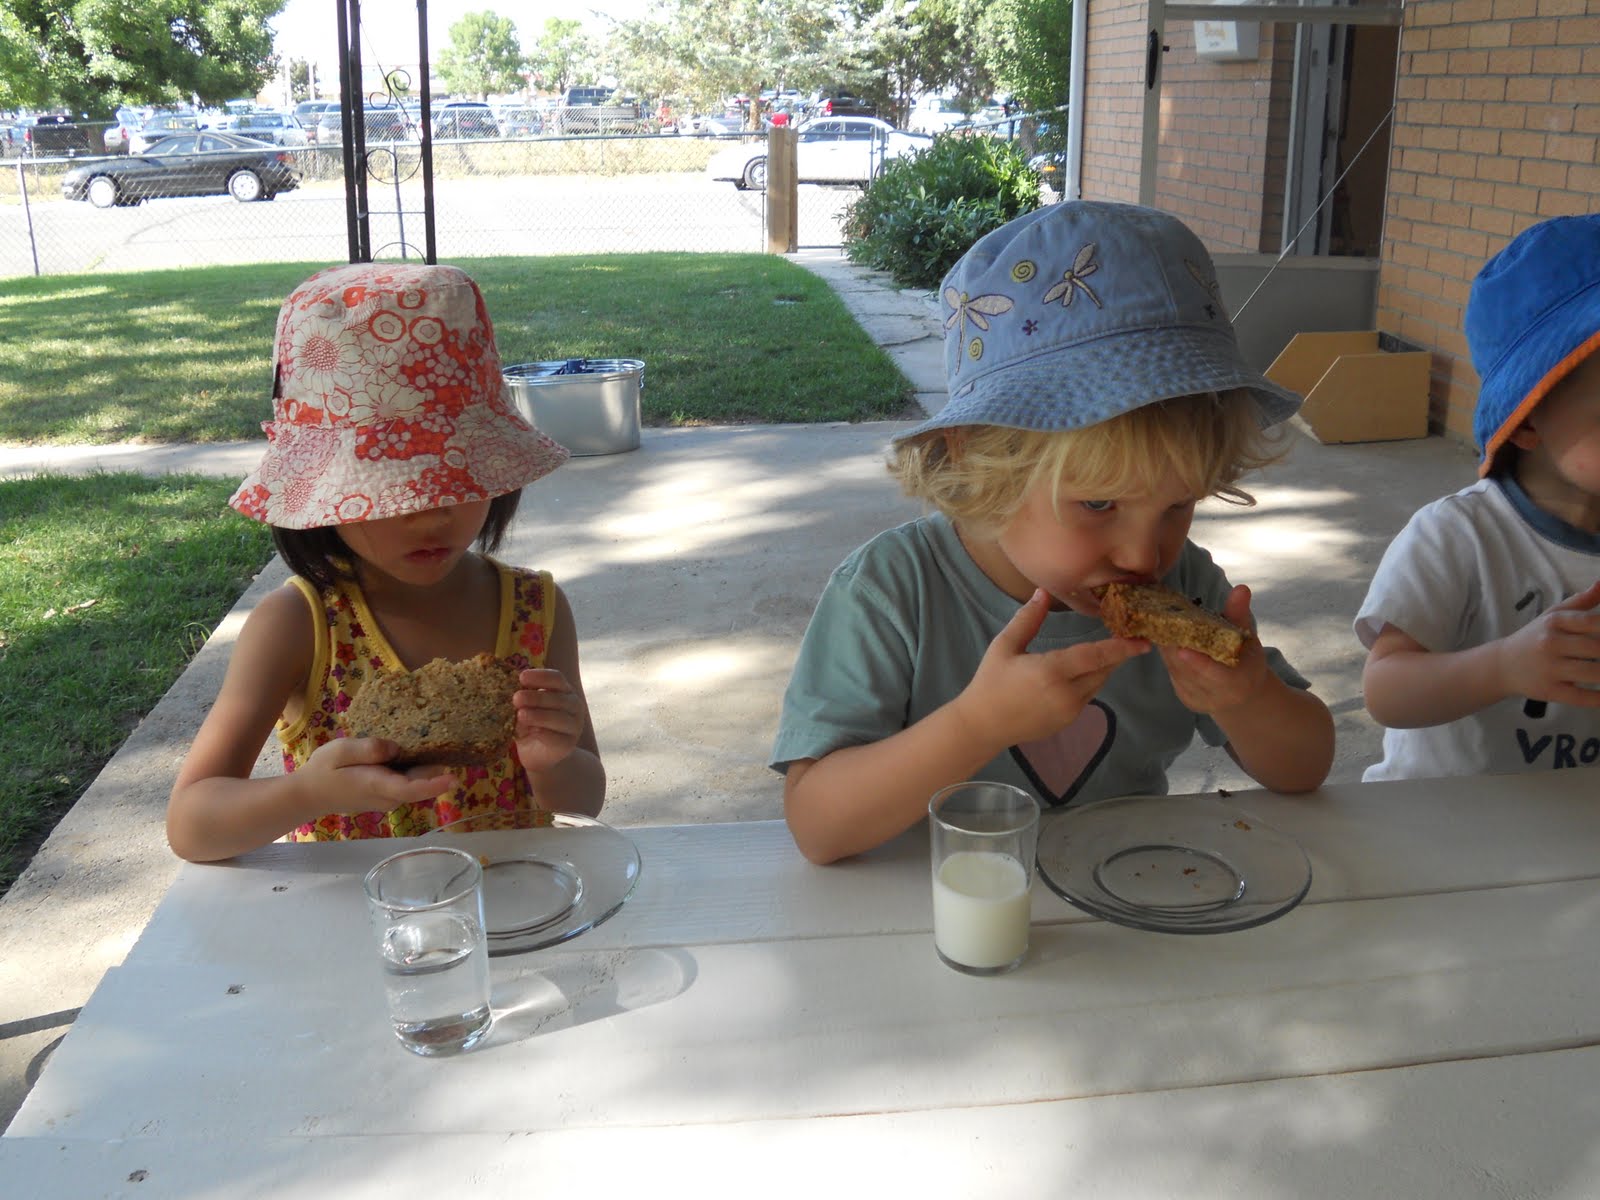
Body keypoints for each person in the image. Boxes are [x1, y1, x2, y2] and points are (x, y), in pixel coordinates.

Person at [772, 201, 1335, 864]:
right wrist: (976, 724)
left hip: (1129, 903)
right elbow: (818, 828)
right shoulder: (893, 594)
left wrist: (1250, 698)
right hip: (933, 924)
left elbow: (1306, 767)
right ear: (978, 461)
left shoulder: (1191, 588)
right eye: (1098, 503)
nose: (1143, 556)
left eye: (1179, 506)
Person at [167, 262, 606, 862]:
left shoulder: (536, 609)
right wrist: (306, 794)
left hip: (510, 906)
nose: (428, 515)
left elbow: (585, 801)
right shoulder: (297, 625)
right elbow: (192, 826)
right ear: (325, 501)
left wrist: (550, 761)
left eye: (454, 480)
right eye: (388, 490)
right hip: (353, 921)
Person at [1355, 214, 1600, 781]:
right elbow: (1385, 690)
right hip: (1438, 831)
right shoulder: (1459, 535)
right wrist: (1504, 668)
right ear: (1526, 422)